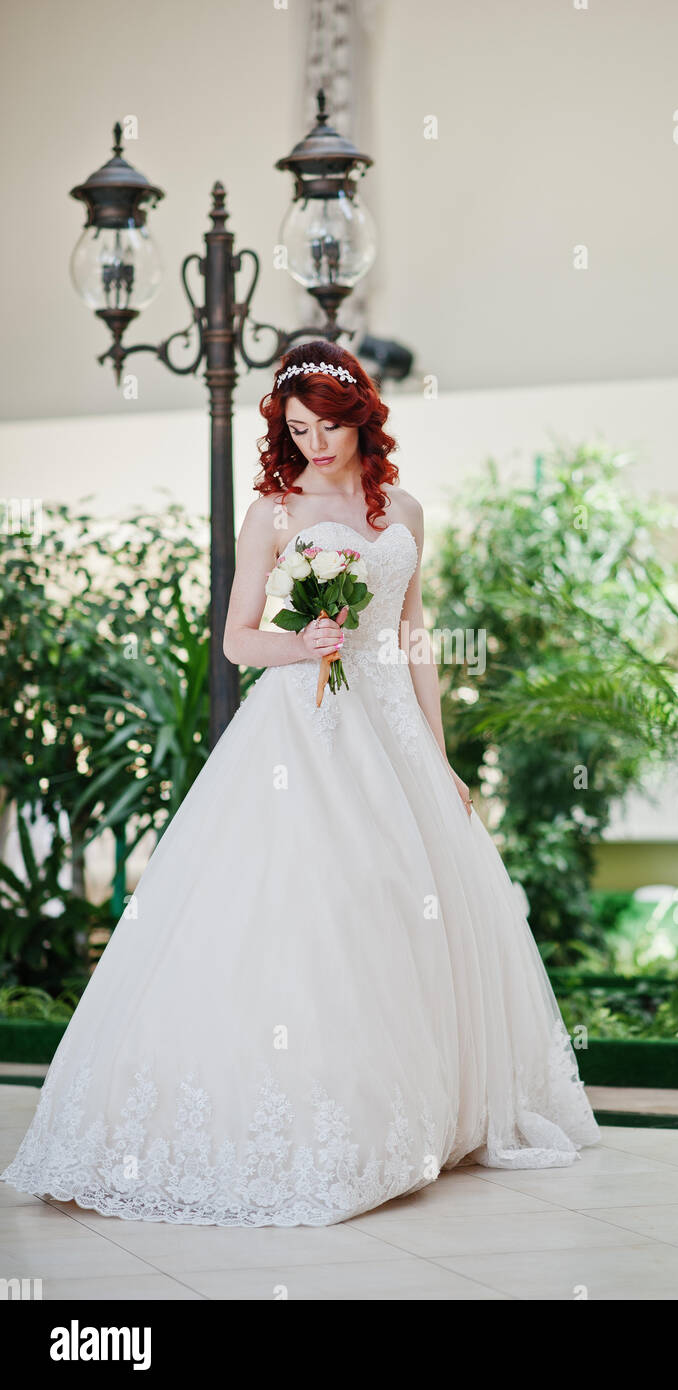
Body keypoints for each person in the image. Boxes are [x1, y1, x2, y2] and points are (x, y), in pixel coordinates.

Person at [2, 341, 599, 1227]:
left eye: (326, 424)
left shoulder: (403, 508)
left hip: (391, 725)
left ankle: (428, 1109)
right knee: (308, 907)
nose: (314, 442)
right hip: (303, 727)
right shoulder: (272, 513)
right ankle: (310, 1116)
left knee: (411, 903)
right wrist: (303, 644)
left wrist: (439, 757)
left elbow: (412, 635)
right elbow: (237, 638)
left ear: (360, 414)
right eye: (296, 428)